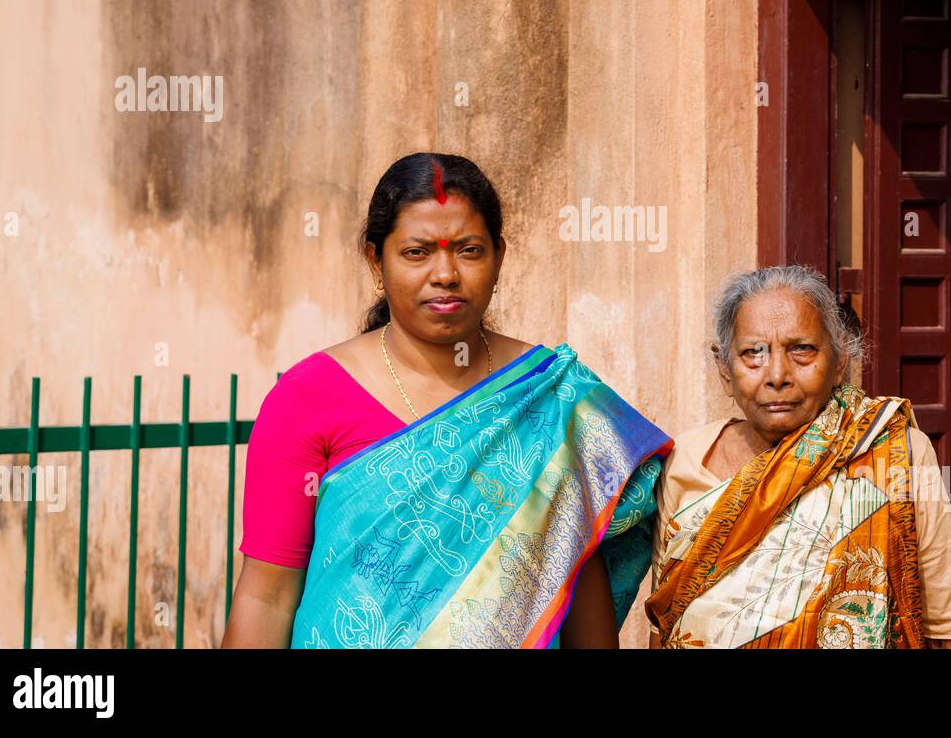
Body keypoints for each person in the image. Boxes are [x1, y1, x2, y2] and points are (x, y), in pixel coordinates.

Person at [222, 152, 671, 648]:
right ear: (377, 259)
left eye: (468, 250)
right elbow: (267, 596)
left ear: (498, 256)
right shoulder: (308, 398)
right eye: (417, 253)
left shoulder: (553, 397)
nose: (445, 274)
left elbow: (573, 570)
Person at [646, 265, 951, 649]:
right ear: (724, 369)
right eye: (753, 353)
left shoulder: (897, 453)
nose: (777, 374)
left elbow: (949, 626)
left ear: (839, 360)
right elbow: (668, 619)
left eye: (801, 349)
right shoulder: (685, 459)